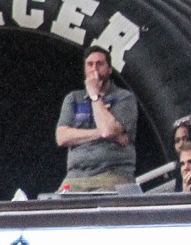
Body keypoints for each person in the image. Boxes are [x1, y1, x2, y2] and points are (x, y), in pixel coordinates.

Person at [55, 44, 138, 191]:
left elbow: (108, 130)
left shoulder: (124, 98)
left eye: (100, 64)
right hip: (75, 176)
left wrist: (94, 96)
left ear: (110, 69)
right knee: (54, 207)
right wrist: (100, 133)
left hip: (111, 175)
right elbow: (61, 137)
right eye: (90, 64)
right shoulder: (73, 98)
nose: (94, 69)